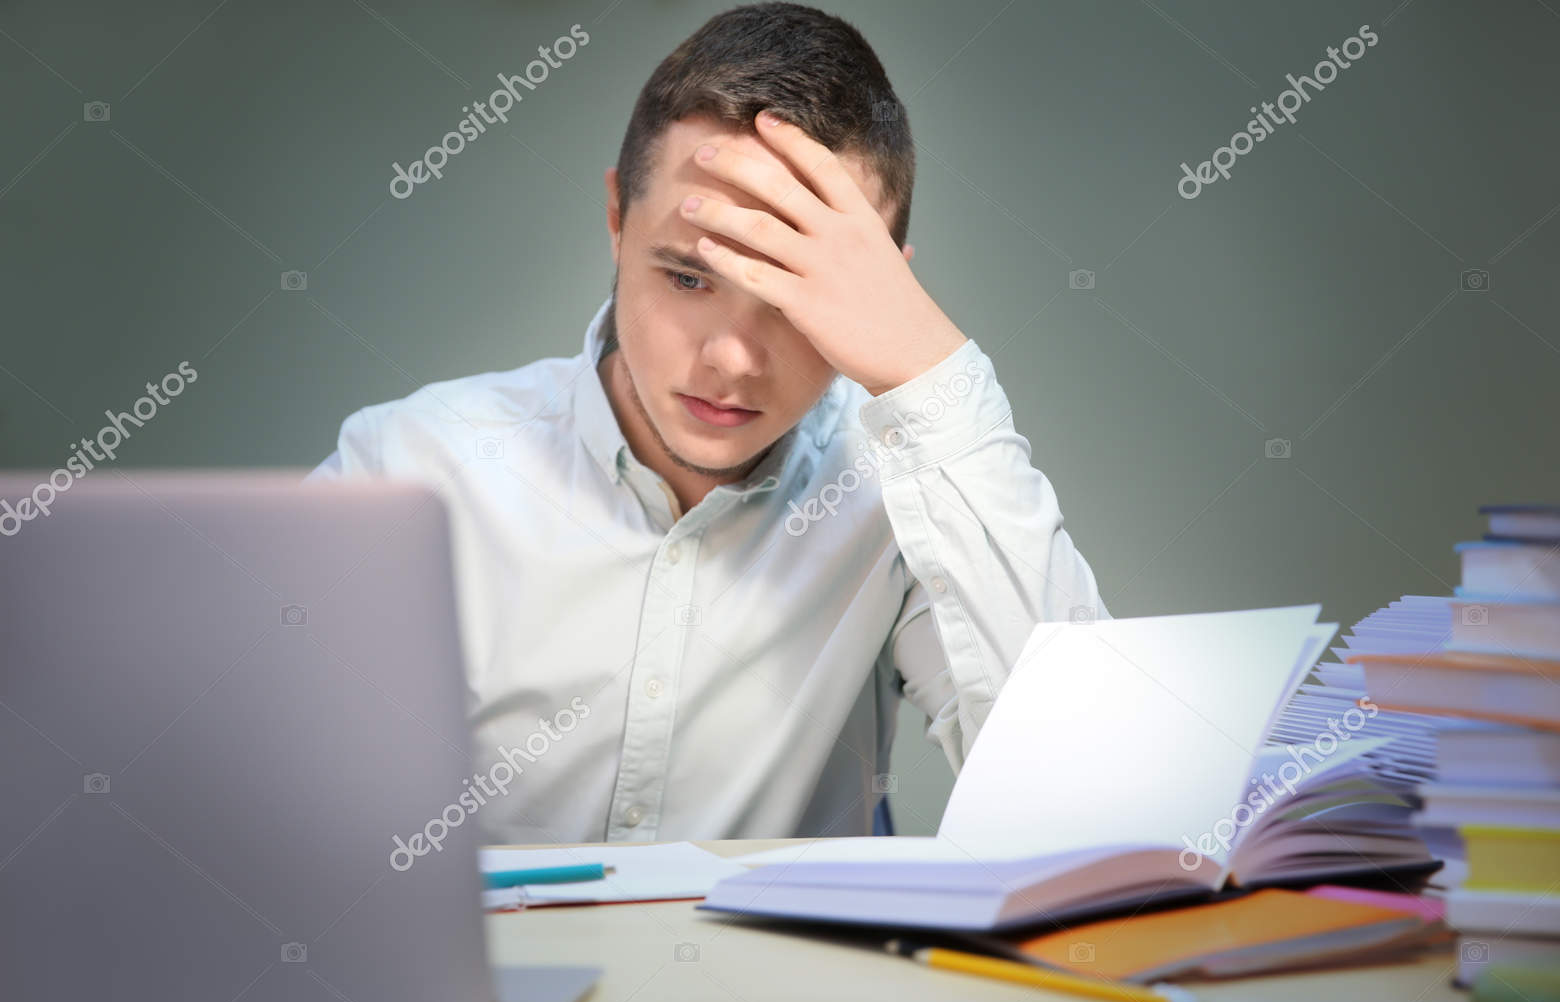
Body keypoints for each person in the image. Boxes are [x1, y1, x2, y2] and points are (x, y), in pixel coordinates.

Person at [315, 2, 1108, 845]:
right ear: (618, 220)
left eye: (795, 295)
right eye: (688, 278)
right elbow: (255, 819)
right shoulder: (410, 467)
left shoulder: (903, 496)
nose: (733, 359)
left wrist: (936, 379)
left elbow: (1082, 798)